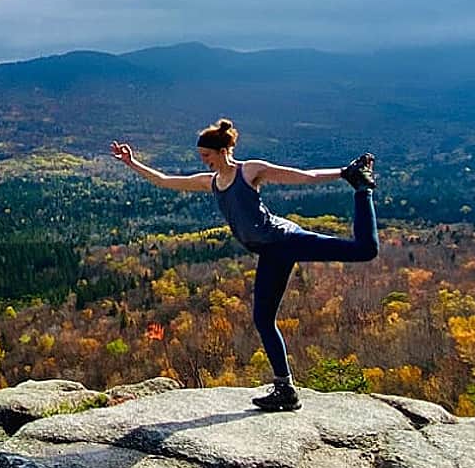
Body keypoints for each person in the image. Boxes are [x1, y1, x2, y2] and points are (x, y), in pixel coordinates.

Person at [110, 118, 378, 411]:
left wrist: (342, 173)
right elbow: (165, 180)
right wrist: (132, 162)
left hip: (285, 240)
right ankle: (285, 389)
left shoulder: (249, 171)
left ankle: (362, 189)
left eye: (207, 156)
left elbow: (305, 176)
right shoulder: (211, 182)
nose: (205, 162)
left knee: (364, 250)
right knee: (263, 320)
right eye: (202, 157)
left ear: (224, 150)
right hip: (270, 253)